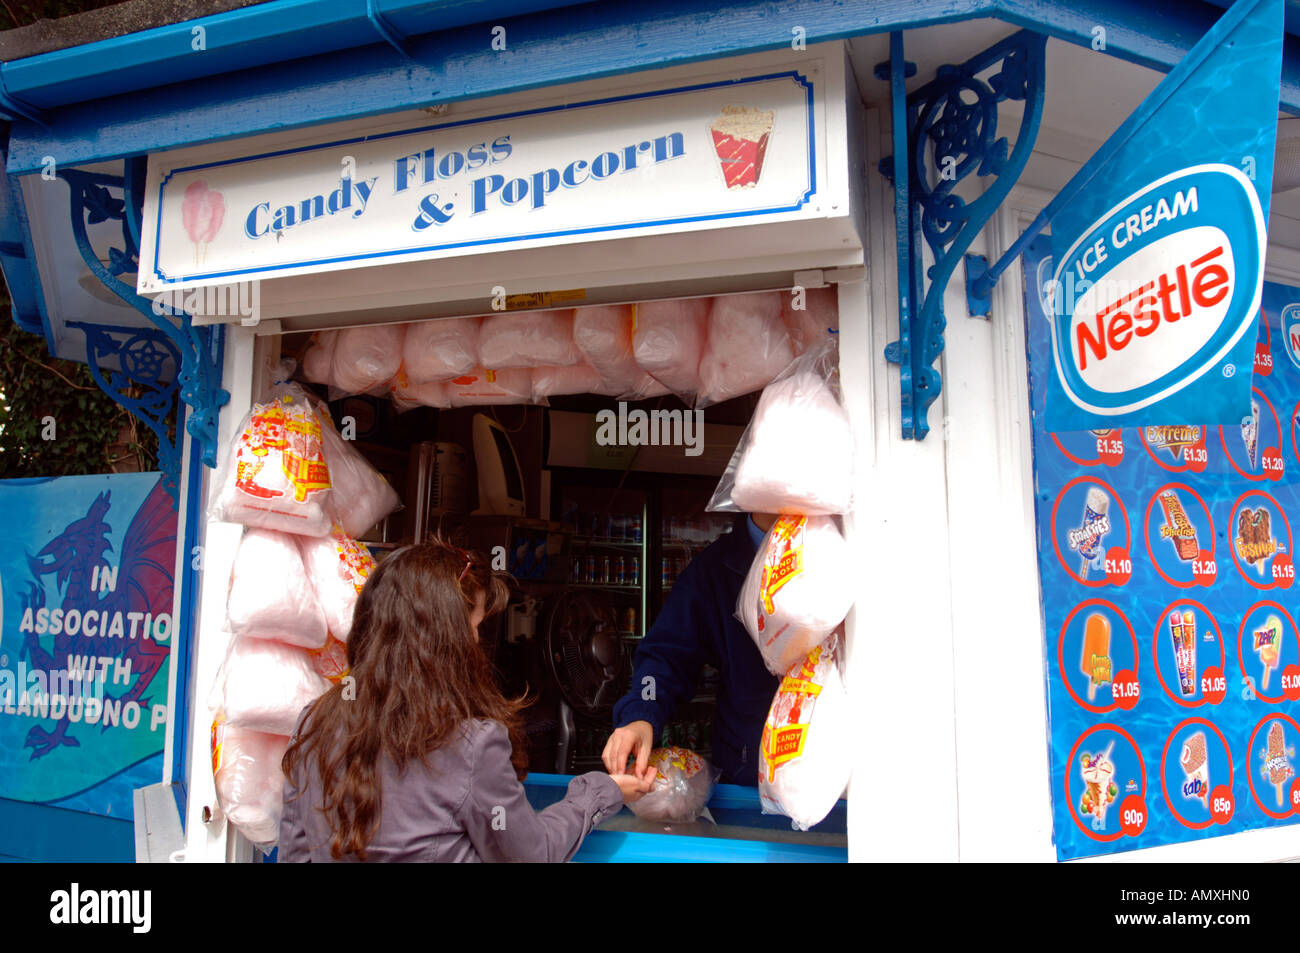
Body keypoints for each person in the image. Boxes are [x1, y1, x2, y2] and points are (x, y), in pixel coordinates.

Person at [279, 540, 651, 862]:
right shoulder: (471, 745)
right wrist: (602, 791)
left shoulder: (314, 722)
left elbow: (295, 853)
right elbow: (531, 854)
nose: (476, 642)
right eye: (473, 627)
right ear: (445, 641)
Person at [603, 512, 778, 787]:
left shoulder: (850, 552)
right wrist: (642, 710)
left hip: (848, 774)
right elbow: (664, 657)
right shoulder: (713, 570)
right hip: (750, 775)